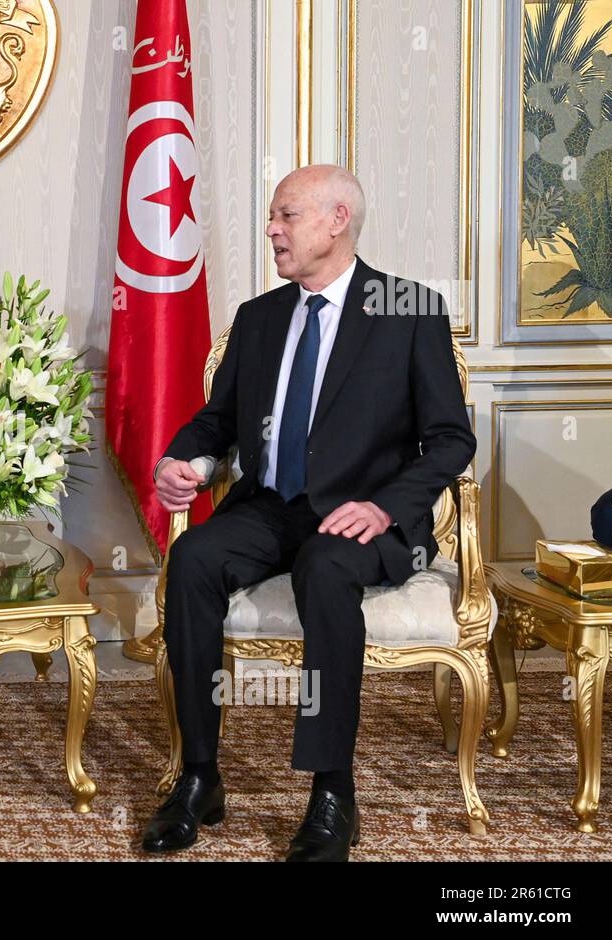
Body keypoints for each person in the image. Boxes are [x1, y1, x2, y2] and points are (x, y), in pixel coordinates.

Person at [141, 165, 475, 861]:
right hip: (270, 506)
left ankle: (332, 791)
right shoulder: (260, 318)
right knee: (194, 558)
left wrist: (385, 507)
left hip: (366, 518)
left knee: (324, 570)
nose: (272, 229)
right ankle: (199, 775)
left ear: (337, 219)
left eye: (286, 215)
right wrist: (187, 464)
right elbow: (219, 419)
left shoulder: (407, 310)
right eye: (273, 216)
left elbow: (451, 440)